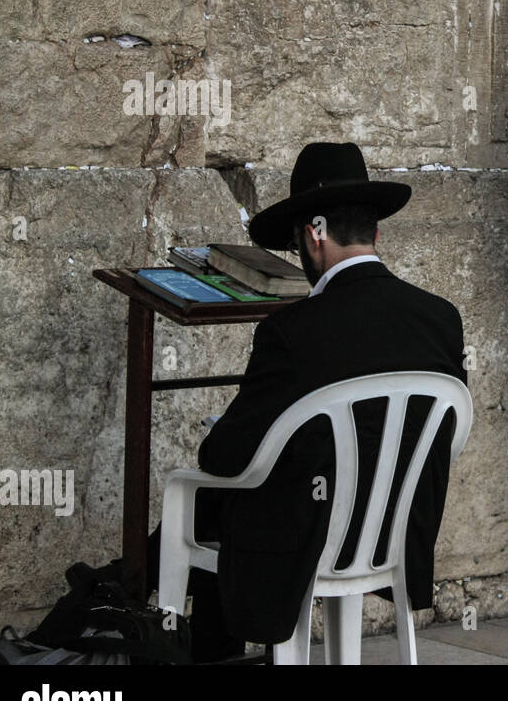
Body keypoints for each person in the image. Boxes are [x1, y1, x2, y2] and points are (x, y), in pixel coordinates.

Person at [161, 142, 466, 657]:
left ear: (312, 236)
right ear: (376, 232)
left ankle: (166, 630)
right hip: (389, 535)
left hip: (300, 545)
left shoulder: (291, 330)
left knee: (202, 499)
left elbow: (222, 457)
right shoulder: (441, 318)